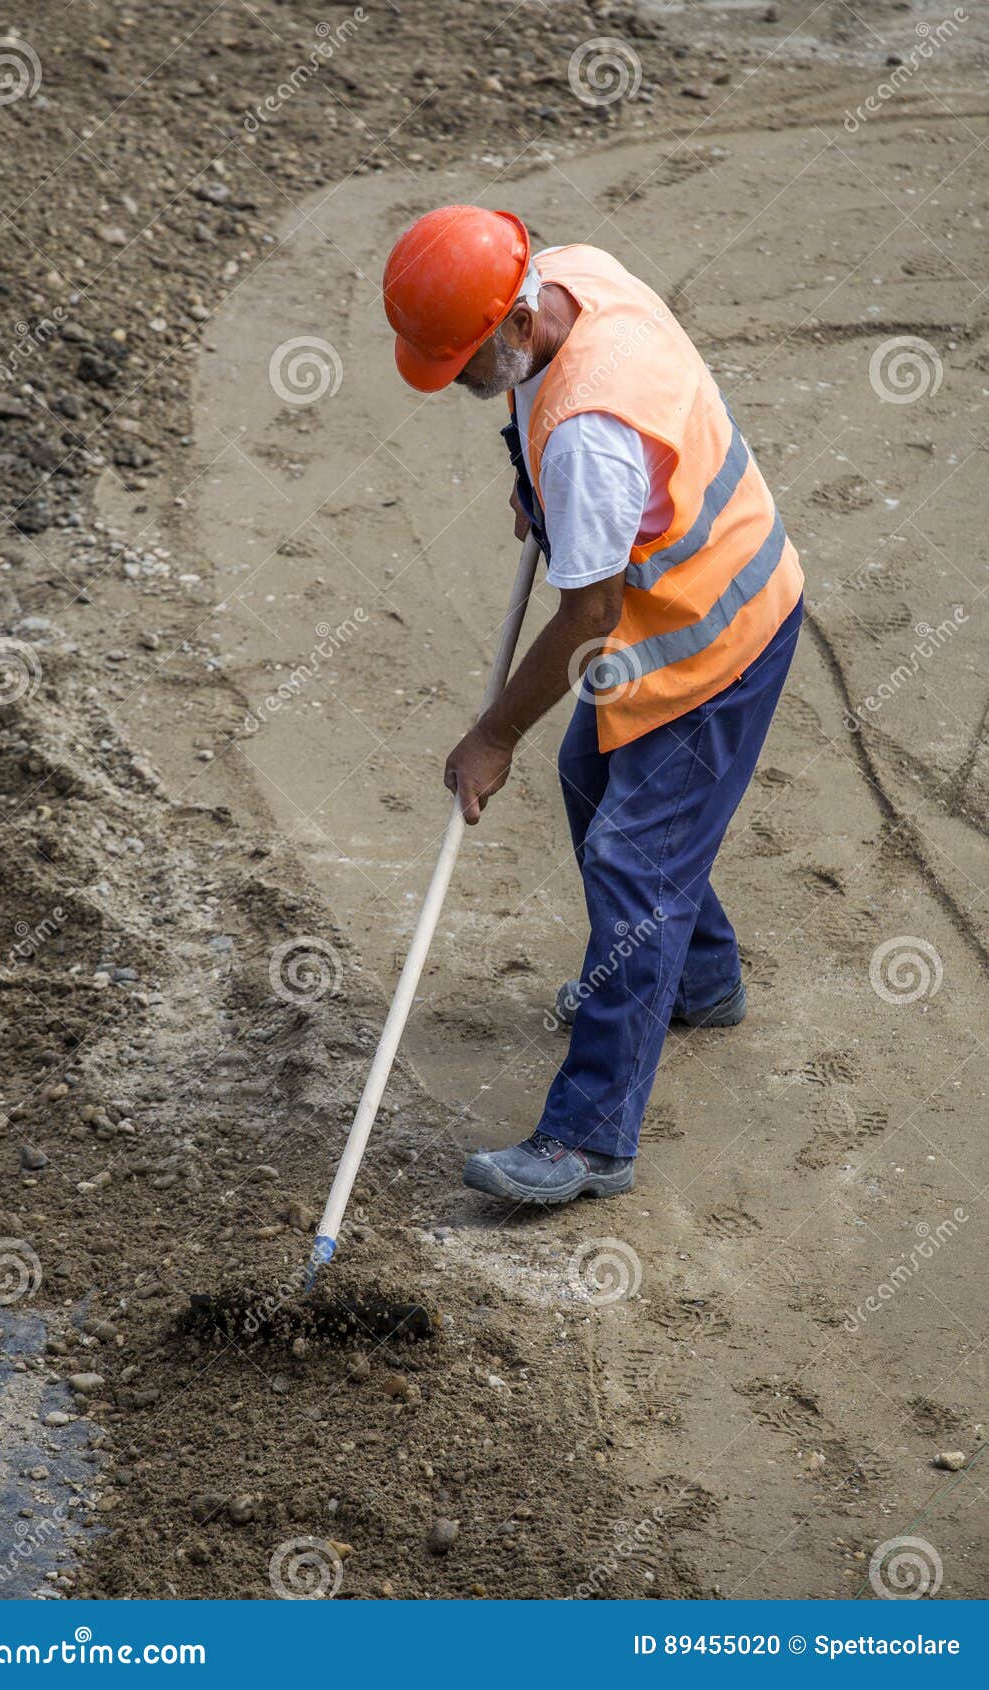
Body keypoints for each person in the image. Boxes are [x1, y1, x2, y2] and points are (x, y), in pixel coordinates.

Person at [382, 206, 804, 1206]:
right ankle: (697, 980)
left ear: (514, 324)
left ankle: (588, 1140)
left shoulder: (589, 438)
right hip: (688, 602)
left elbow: (587, 617)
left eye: (465, 361)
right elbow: (558, 445)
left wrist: (491, 736)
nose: (455, 381)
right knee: (590, 779)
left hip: (713, 640)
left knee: (630, 861)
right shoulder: (570, 273)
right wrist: (534, 483)